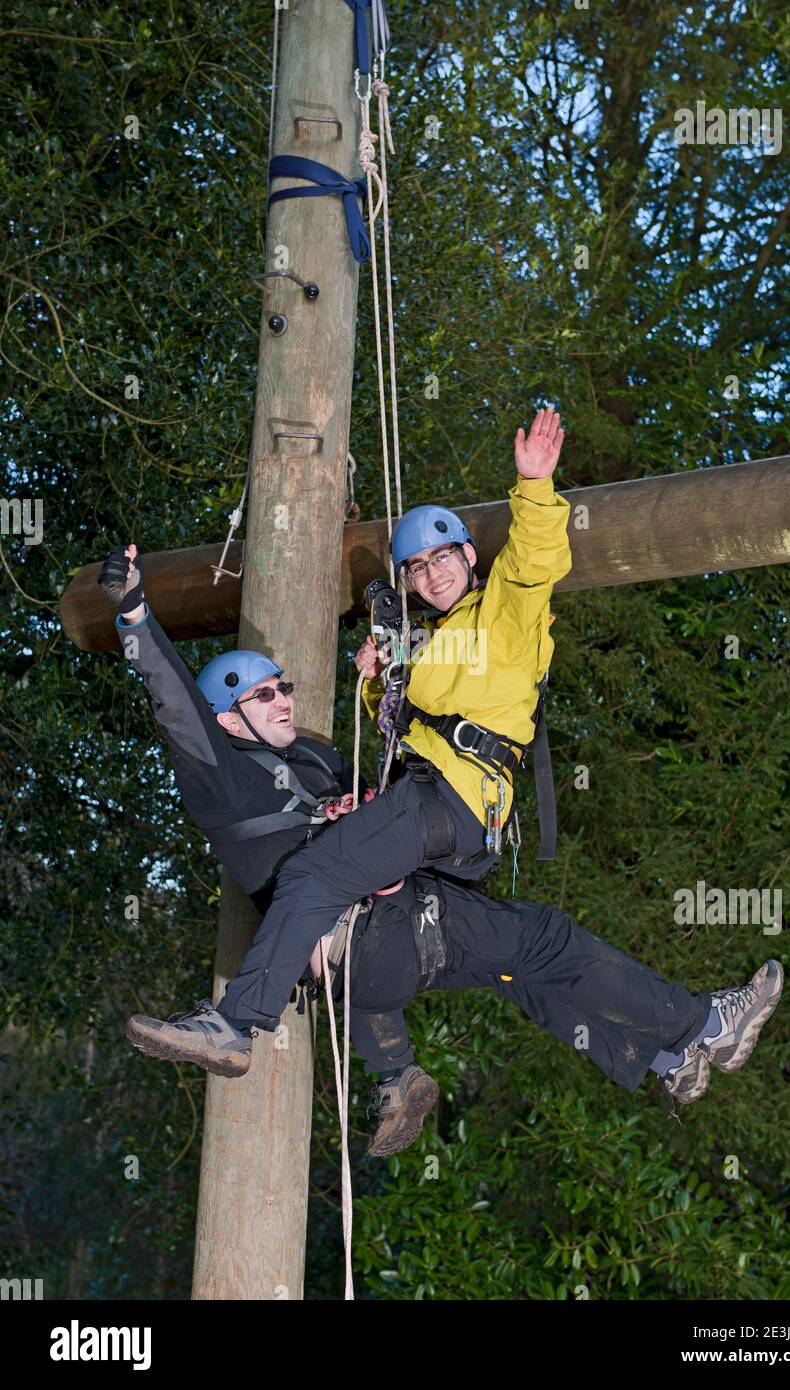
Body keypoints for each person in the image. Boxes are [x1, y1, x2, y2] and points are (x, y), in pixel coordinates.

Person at [120, 406, 575, 1128]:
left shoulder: (315, 755)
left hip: (408, 872)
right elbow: (180, 712)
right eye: (262, 695)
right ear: (227, 719)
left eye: (283, 688)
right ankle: (387, 1069)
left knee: (350, 919)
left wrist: (377, 700)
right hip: (357, 916)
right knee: (339, 932)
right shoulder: (225, 770)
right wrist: (137, 621)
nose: (282, 700)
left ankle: (371, 1061)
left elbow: (403, 743)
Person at [318, 869, 784, 1150]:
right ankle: (707, 1025)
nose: (283, 700)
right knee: (546, 940)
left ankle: (669, 1058)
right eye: (270, 695)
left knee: (520, 973)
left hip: (388, 953)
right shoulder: (276, 791)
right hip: (405, 929)